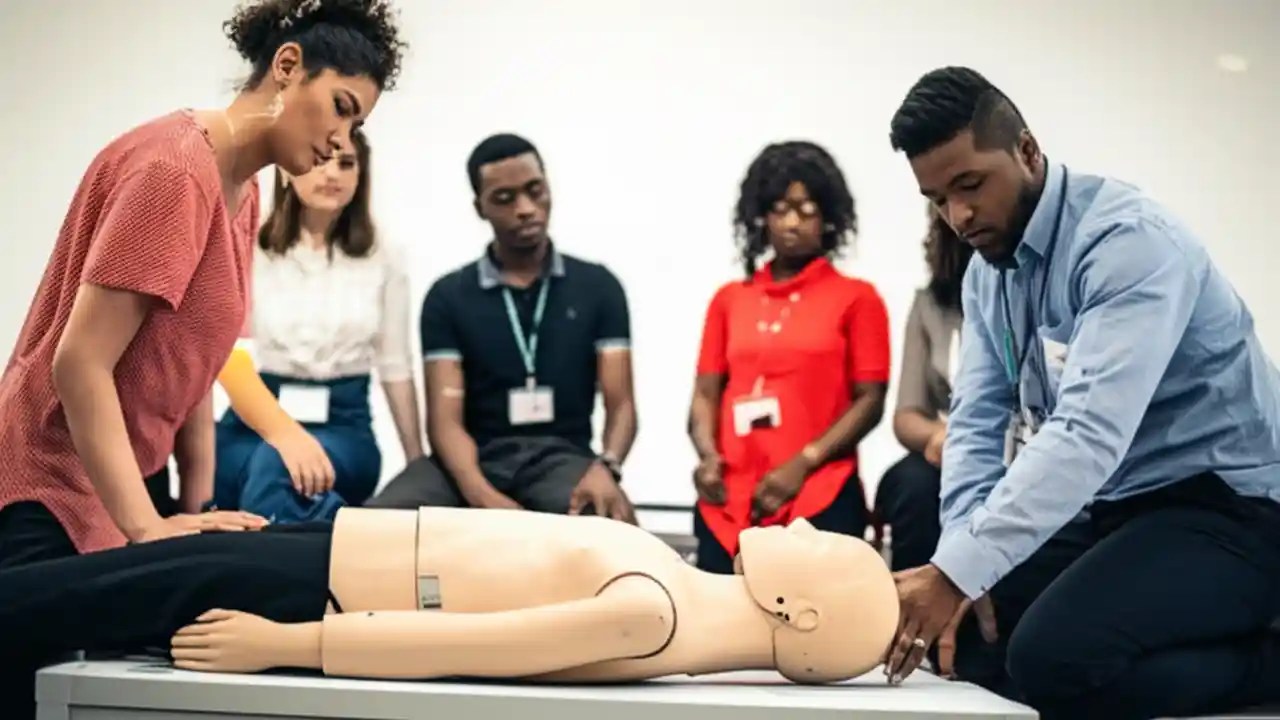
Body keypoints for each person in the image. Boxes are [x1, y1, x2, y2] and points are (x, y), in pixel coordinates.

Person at [0, 0, 406, 715]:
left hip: (121, 489)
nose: (339, 140)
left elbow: (192, 367)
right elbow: (80, 365)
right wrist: (150, 532)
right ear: (287, 66)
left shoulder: (242, 192)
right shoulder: (174, 170)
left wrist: (195, 507)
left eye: (357, 127)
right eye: (339, 108)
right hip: (49, 490)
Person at [881, 66, 1280, 720]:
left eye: (970, 185)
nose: (958, 216)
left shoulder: (1128, 243)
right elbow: (978, 422)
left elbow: (1086, 435)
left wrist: (953, 574)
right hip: (1124, 512)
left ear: (1028, 151)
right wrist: (961, 563)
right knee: (972, 636)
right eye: (937, 199)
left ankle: (1264, 655)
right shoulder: (989, 273)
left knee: (1050, 659)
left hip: (1235, 513)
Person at [0, 507, 898, 686]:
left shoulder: (653, 615)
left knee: (75, 596)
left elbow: (465, 646)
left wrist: (287, 646)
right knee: (67, 561)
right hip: (352, 549)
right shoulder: (667, 591)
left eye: (823, 550)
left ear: (801, 614)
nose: (807, 530)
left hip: (338, 590)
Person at [367, 134, 637, 522]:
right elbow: (445, 422)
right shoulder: (449, 296)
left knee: (610, 521)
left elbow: (622, 403)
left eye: (534, 191)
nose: (526, 209)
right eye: (504, 198)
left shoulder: (598, 287)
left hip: (561, 458)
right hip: (472, 457)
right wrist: (482, 496)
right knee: (378, 523)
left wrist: (607, 467)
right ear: (480, 207)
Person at [687, 141, 891, 575]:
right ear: (761, 217)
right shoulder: (728, 300)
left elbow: (871, 400)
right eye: (780, 209)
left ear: (830, 218)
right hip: (728, 500)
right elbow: (705, 393)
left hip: (819, 492)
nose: (792, 222)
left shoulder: (857, 298)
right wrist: (706, 455)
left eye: (807, 209)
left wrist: (804, 463)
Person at [212, 129, 422, 524]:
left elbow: (396, 365)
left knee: (275, 473)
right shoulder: (249, 246)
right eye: (322, 159)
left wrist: (416, 461)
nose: (333, 174)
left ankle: (299, 567)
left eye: (347, 164)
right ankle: (346, 538)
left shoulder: (385, 255)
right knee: (242, 482)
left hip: (343, 423)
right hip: (255, 416)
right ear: (289, 171)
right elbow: (224, 353)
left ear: (361, 177)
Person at [875, 204, 973, 572]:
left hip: (1015, 450)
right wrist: (940, 436)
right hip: (948, 450)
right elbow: (907, 415)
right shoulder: (929, 305)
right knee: (911, 484)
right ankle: (912, 617)